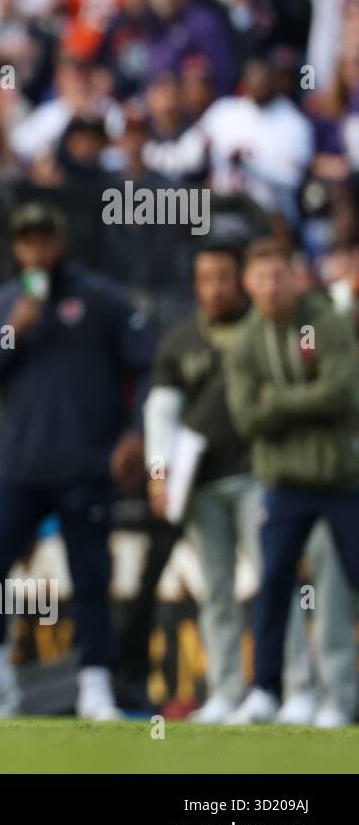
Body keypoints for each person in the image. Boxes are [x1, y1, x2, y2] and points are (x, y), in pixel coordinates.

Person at [0, 202, 153, 720]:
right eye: (26, 241)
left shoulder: (101, 298)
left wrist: (136, 435)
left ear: (60, 241)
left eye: (44, 239)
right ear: (16, 248)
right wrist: (12, 331)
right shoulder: (1, 305)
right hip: (17, 462)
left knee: (91, 576)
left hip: (86, 463)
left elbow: (148, 367)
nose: (36, 250)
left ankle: (95, 685)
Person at [144, 239, 317, 724]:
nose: (214, 288)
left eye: (223, 277)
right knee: (215, 591)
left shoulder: (266, 329)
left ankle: (296, 690)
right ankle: (225, 693)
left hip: (260, 475)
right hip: (200, 483)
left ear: (241, 279)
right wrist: (158, 477)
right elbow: (160, 414)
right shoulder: (180, 340)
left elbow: (308, 361)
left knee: (276, 582)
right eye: (205, 279)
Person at [223, 237, 359, 724]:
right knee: (274, 583)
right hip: (283, 486)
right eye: (260, 277)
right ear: (248, 283)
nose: (271, 286)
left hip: (340, 479)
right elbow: (245, 419)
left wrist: (276, 400)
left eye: (279, 275)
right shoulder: (244, 341)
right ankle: (266, 689)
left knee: (346, 583)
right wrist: (300, 398)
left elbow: (340, 393)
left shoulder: (322, 323)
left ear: (296, 276)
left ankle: (336, 697)